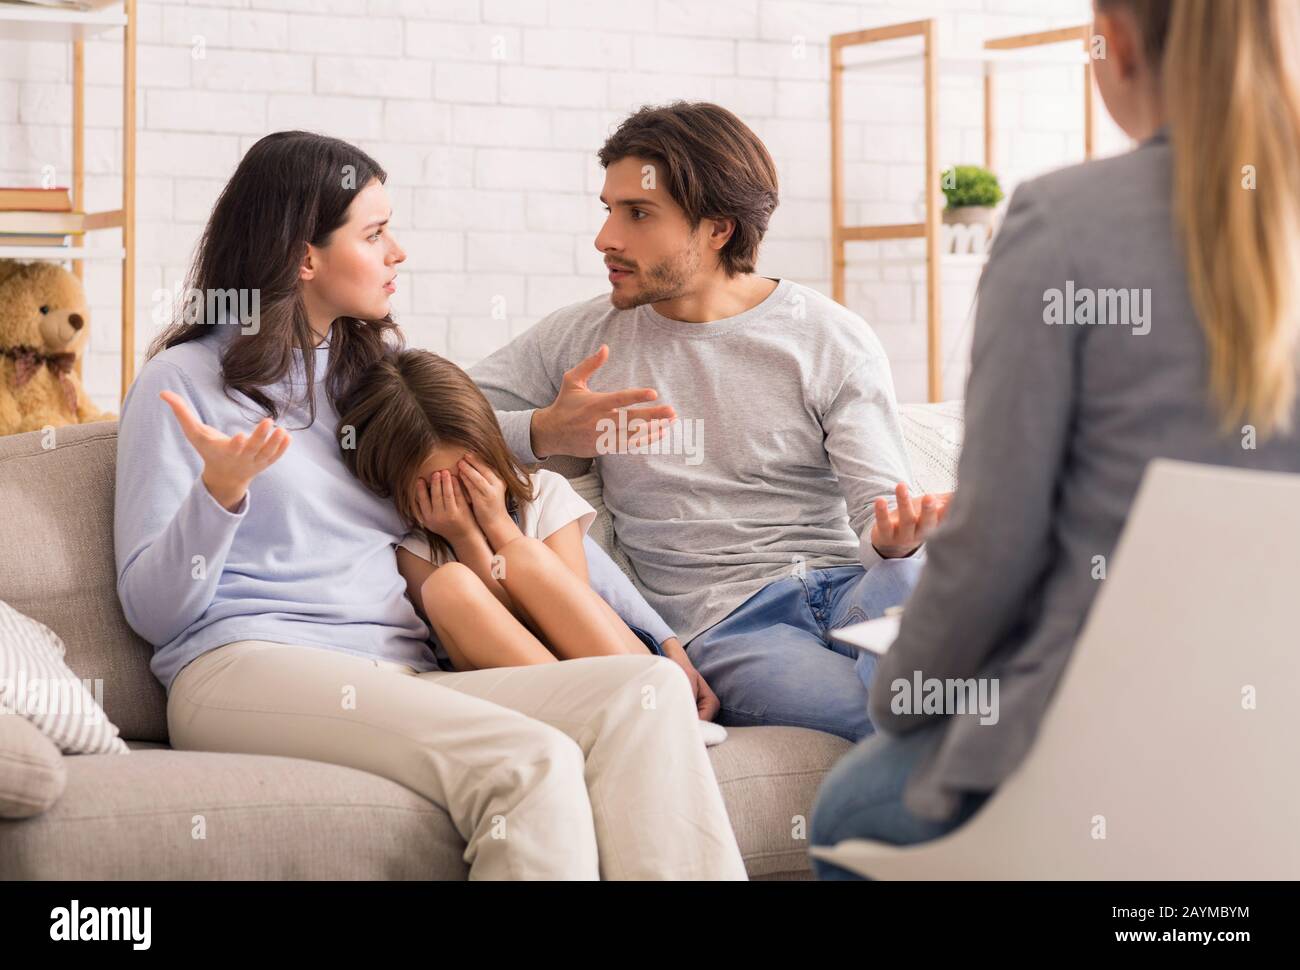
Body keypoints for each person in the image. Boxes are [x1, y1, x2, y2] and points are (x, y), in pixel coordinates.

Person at [114, 130, 747, 880]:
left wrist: (660, 636)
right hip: (245, 665)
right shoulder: (181, 384)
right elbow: (152, 613)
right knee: (531, 761)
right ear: (303, 257)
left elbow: (517, 497)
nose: (398, 253)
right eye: (375, 233)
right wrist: (217, 497)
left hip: (401, 673)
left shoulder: (372, 374)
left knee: (646, 691)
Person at [810, 0, 1300, 878]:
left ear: (1110, 40)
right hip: (1277, 773)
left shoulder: (1063, 224)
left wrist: (902, 691)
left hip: (1108, 748)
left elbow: (992, 549)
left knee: (846, 810)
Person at [469, 101, 952, 743]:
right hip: (730, 625)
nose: (605, 238)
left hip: (849, 584)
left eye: (637, 214)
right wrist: (544, 434)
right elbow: (424, 413)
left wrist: (900, 542)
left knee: (951, 666)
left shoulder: (829, 338)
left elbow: (880, 518)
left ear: (717, 229)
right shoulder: (584, 337)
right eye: (608, 209)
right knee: (896, 718)